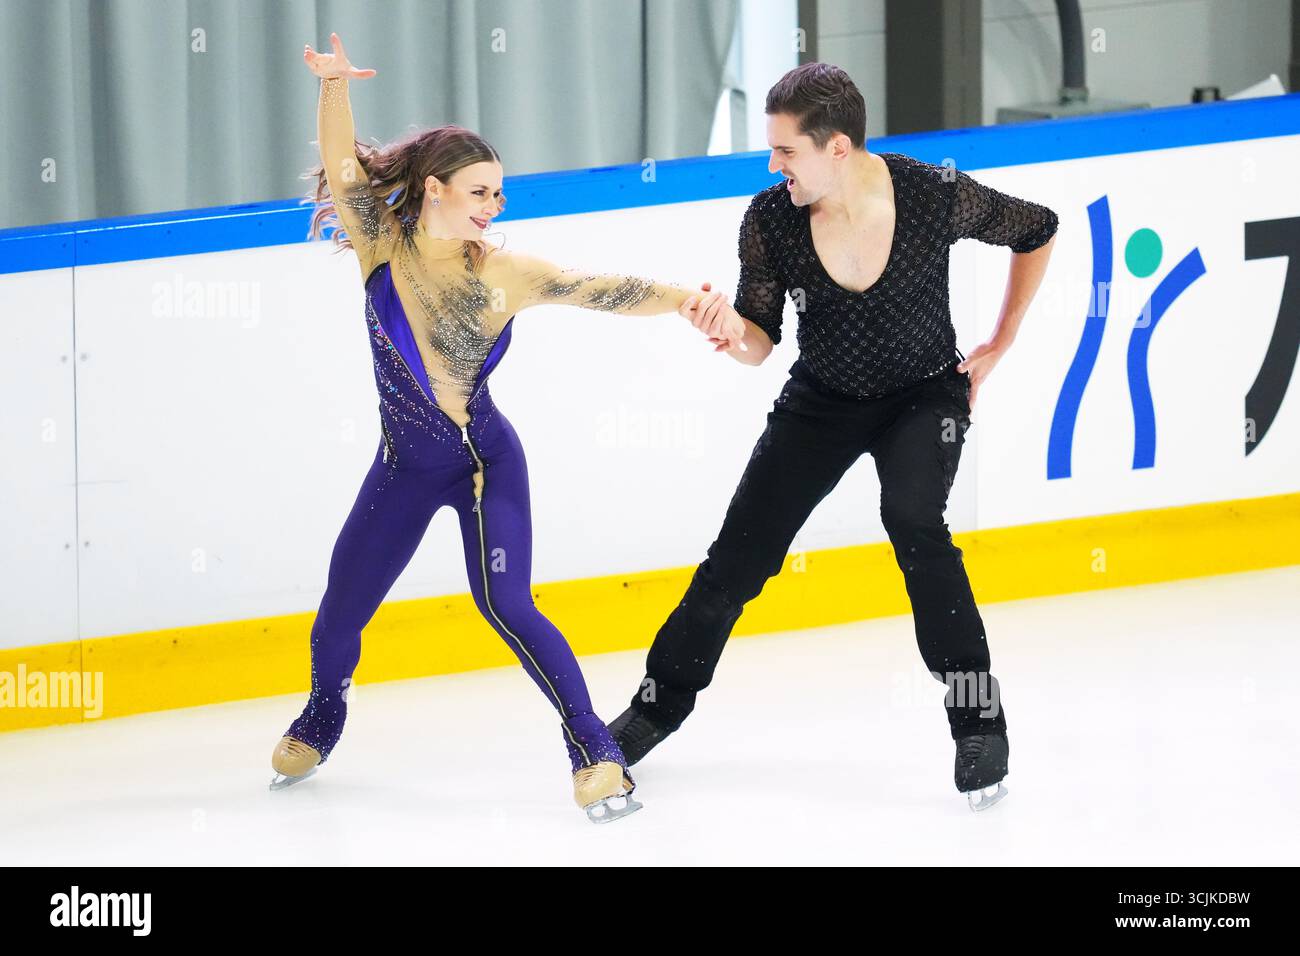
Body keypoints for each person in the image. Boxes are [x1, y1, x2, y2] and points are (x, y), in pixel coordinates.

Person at [270, 33, 743, 824]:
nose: (496, 208)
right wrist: (333, 87)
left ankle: (597, 752)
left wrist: (689, 302)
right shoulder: (380, 249)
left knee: (505, 604)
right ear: (432, 190)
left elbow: (604, 288)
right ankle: (325, 710)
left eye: (499, 193)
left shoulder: (504, 271)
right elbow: (345, 166)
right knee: (338, 612)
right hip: (403, 467)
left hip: (484, 463)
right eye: (481, 192)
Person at [611, 62, 1059, 812]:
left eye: (786, 150)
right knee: (738, 558)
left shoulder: (931, 194)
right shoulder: (770, 219)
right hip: (821, 399)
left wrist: (1001, 340)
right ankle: (655, 707)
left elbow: (1038, 228)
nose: (773, 164)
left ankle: (979, 723)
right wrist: (730, 334)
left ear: (838, 148)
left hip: (925, 394)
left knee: (914, 521)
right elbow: (761, 341)